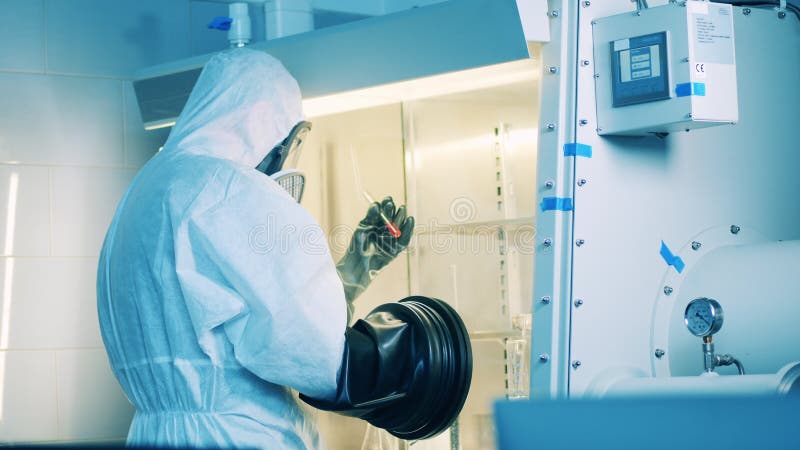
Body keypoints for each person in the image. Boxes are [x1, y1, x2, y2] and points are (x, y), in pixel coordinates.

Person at [97, 48, 413, 449]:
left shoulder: (144, 191)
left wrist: (353, 268)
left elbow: (239, 316)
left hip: (151, 434)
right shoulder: (229, 190)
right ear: (268, 128)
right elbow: (316, 356)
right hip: (237, 437)